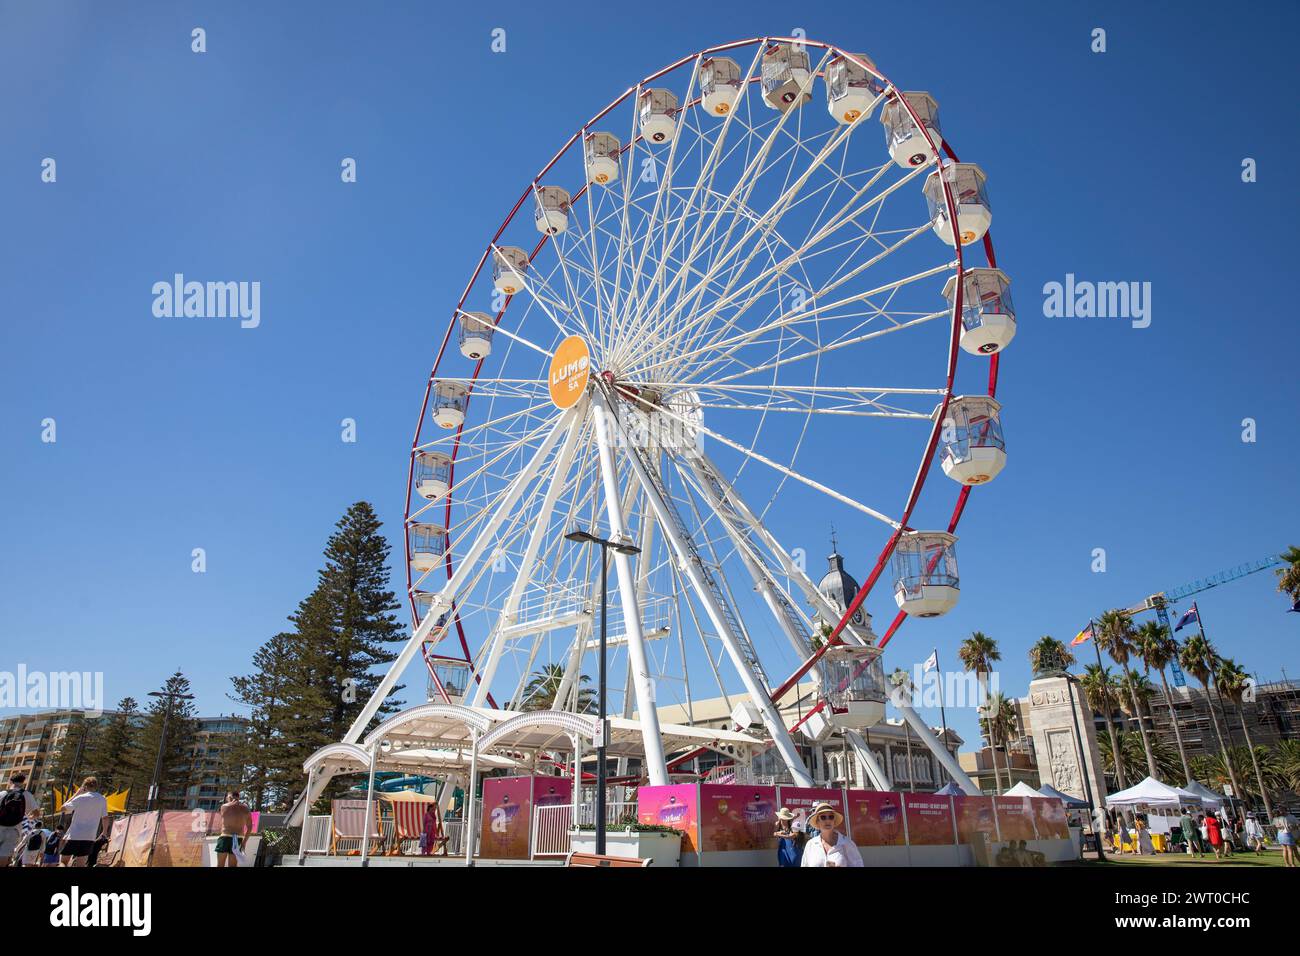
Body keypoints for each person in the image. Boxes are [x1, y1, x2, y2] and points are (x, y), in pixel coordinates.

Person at [60, 776, 108, 867]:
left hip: (74, 835)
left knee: (63, 862)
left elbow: (62, 808)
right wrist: (104, 832)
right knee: (81, 864)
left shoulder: (80, 798)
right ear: (96, 786)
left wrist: (77, 794)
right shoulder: (102, 799)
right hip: (89, 836)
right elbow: (105, 817)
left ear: (85, 787)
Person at [800, 802, 862, 868]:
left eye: (831, 817)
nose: (828, 820)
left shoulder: (847, 843)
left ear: (834, 821)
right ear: (817, 821)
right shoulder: (810, 845)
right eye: (823, 817)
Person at [0, 771, 39, 867]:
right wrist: (30, 816)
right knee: (4, 854)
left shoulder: (3, 793)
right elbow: (36, 813)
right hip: (14, 828)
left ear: (10, 781)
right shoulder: (27, 794)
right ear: (23, 782)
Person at [216, 790, 253, 868]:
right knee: (233, 865)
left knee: (220, 865)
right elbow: (250, 827)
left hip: (225, 837)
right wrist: (244, 842)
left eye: (227, 798)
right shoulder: (246, 809)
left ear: (229, 797)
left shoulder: (224, 807)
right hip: (238, 839)